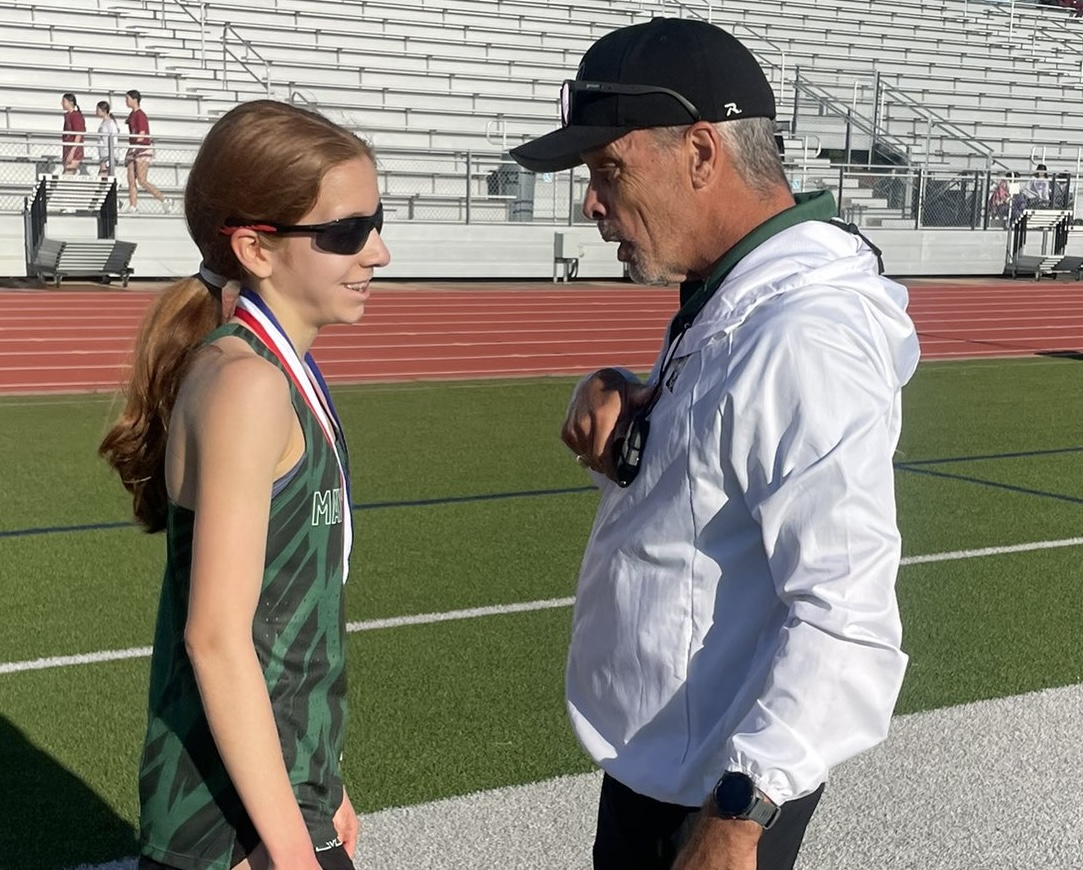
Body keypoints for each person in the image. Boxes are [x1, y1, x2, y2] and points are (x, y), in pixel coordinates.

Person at [510, 18, 919, 870]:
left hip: (715, 795)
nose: (591, 201)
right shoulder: (730, 293)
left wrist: (740, 814)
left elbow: (847, 618)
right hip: (670, 767)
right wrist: (630, 413)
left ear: (700, 152)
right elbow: (714, 479)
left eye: (607, 169)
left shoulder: (802, 335)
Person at [99, 99, 390, 870]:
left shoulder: (266, 373)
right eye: (345, 233)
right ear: (257, 248)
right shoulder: (246, 386)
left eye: (375, 220)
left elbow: (283, 624)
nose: (378, 252)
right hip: (233, 830)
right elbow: (217, 638)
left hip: (282, 798)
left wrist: (323, 784)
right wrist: (292, 847)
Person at [124, 89, 169, 212]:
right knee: (131, 179)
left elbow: (142, 133)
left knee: (142, 180)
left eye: (128, 98)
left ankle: (163, 199)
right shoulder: (131, 115)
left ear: (134, 100)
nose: (126, 101)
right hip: (133, 149)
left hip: (142, 149)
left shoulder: (140, 115)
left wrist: (136, 146)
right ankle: (133, 205)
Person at [60, 92, 85, 174]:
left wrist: (72, 151)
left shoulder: (76, 116)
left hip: (74, 150)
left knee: (68, 172)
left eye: (64, 101)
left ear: (70, 102)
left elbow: (79, 134)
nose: (61, 104)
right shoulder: (68, 116)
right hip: (67, 148)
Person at [94, 100, 120, 177]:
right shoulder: (104, 123)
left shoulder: (110, 123)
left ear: (104, 110)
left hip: (108, 154)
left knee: (103, 175)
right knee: (103, 175)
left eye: (98, 109)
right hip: (103, 153)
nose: (96, 111)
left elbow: (114, 139)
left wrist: (111, 154)